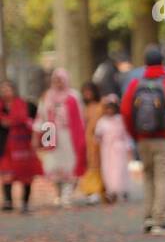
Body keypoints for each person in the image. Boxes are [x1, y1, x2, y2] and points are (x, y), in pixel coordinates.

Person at [122, 47, 165, 234]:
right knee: (162, 177)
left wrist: (133, 133)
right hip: (163, 138)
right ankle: (159, 218)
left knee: (148, 176)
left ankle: (148, 217)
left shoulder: (136, 82)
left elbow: (126, 110)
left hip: (142, 138)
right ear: (162, 62)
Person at [36, 68, 86, 207]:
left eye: (60, 80)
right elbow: (41, 116)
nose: (58, 83)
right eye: (55, 80)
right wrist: (37, 135)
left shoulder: (73, 96)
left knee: (71, 165)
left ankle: (67, 195)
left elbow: (81, 117)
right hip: (51, 133)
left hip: (69, 135)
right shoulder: (47, 97)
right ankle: (59, 192)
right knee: (53, 165)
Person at [1, 80, 42, 212]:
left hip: (23, 144)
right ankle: (8, 201)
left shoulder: (26, 105)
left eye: (7, 88)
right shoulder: (1, 108)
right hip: (5, 145)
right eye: (3, 89)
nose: (5, 92)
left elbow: (37, 120)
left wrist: (36, 138)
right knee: (6, 172)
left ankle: (25, 201)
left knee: (26, 173)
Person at [95, 96, 132, 204]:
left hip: (119, 148)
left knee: (119, 169)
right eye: (107, 108)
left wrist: (128, 147)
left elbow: (126, 135)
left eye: (111, 108)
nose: (109, 111)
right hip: (107, 149)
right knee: (108, 169)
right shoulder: (102, 121)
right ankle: (111, 191)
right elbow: (98, 135)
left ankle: (121, 189)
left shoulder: (120, 120)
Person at [78, 83, 106, 204]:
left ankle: (103, 190)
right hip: (88, 139)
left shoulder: (102, 105)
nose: (87, 94)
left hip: (102, 139)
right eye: (85, 92)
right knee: (91, 165)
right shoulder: (84, 108)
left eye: (89, 91)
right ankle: (92, 190)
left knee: (102, 164)